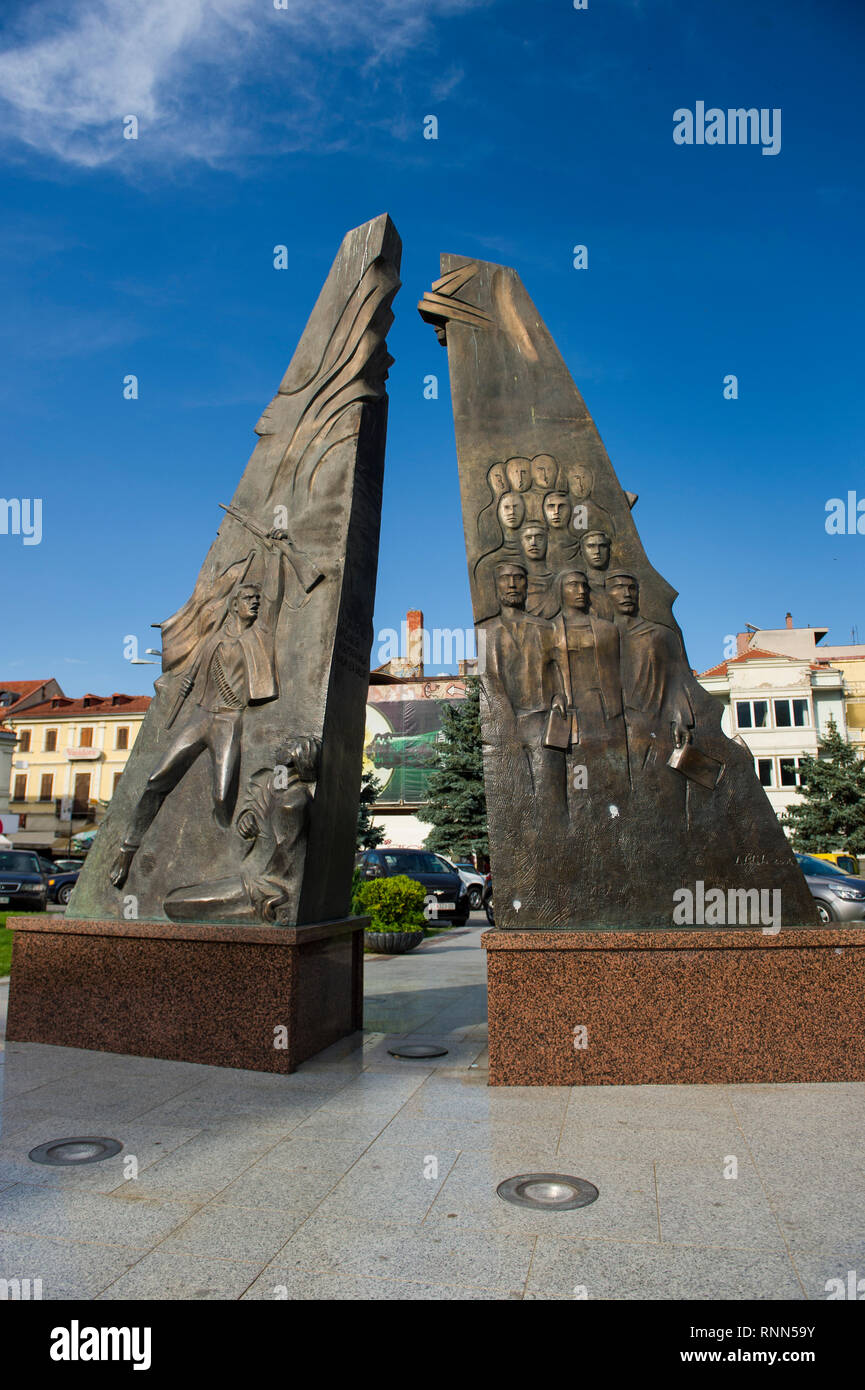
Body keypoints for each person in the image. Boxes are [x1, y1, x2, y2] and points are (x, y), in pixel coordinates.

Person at [109, 534, 286, 890]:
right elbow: (188, 677)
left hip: (229, 721)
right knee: (156, 779)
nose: (254, 604)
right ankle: (127, 850)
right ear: (234, 604)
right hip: (201, 716)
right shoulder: (212, 639)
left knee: (223, 798)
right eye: (248, 599)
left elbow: (274, 597)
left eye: (255, 600)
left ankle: (230, 862)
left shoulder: (260, 634)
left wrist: (277, 554)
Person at [163, 736, 320, 924]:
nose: (282, 745)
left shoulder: (293, 802)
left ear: (292, 757)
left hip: (259, 888)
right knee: (174, 901)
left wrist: (266, 893)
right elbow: (254, 809)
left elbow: (285, 857)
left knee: (174, 904)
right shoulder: (273, 783)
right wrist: (246, 818)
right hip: (251, 877)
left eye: (289, 744)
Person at [480, 562, 566, 810]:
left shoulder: (545, 628)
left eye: (518, 578)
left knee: (552, 797)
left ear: (527, 585)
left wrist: (560, 695)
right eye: (506, 579)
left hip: (542, 721)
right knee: (514, 800)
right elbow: (488, 680)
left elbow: (558, 668)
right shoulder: (486, 630)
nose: (512, 584)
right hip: (505, 725)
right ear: (495, 586)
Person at [605, 570, 694, 777]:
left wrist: (681, 717)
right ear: (606, 594)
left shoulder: (660, 635)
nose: (626, 593)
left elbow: (678, 679)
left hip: (654, 725)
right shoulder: (600, 635)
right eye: (618, 588)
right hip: (612, 728)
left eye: (631, 588)